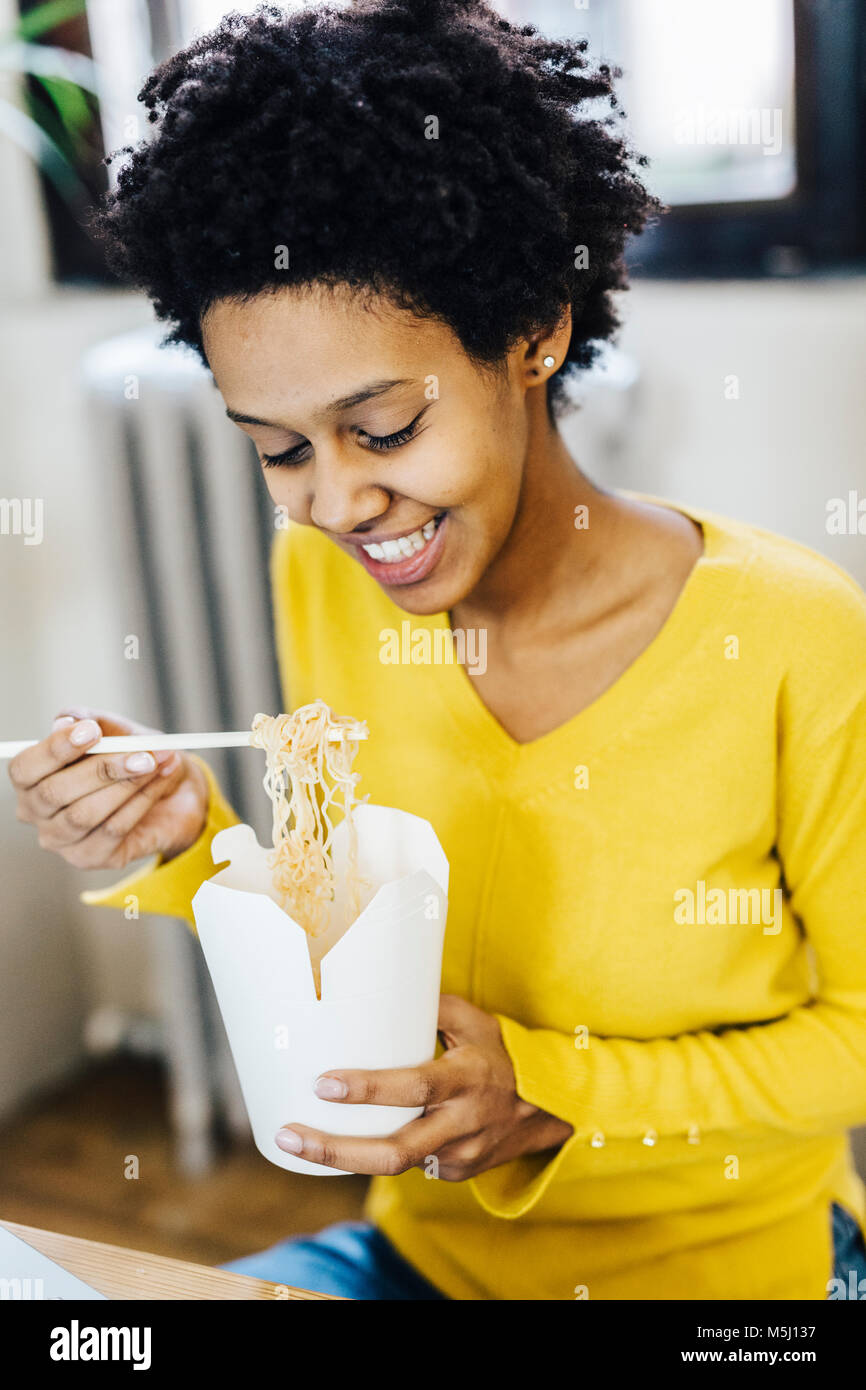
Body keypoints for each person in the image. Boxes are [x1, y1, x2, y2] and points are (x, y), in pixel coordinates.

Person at [9, 0, 866, 1300]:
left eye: (385, 426)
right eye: (279, 448)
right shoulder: (326, 574)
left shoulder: (796, 639)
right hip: (425, 1257)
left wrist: (546, 1090)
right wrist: (188, 844)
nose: (338, 502)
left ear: (533, 332)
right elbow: (341, 896)